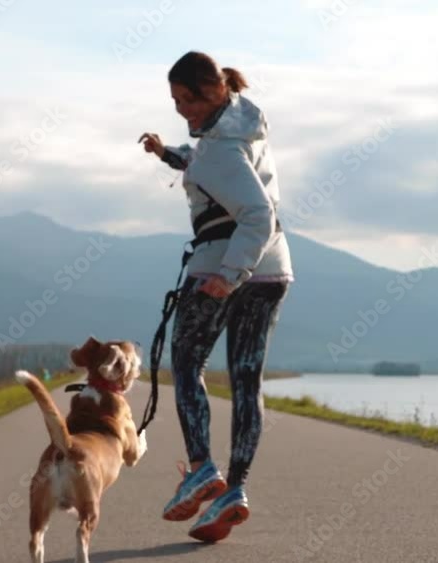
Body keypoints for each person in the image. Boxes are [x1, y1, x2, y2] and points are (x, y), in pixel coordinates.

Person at [138, 50, 293, 543]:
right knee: (247, 380)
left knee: (186, 364)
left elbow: (256, 213)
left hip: (224, 265)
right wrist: (168, 155)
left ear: (216, 89)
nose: (184, 110)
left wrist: (229, 274)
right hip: (273, 272)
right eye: (176, 101)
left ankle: (203, 467)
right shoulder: (240, 131)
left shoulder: (222, 148)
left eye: (190, 99)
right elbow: (207, 167)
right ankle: (234, 492)